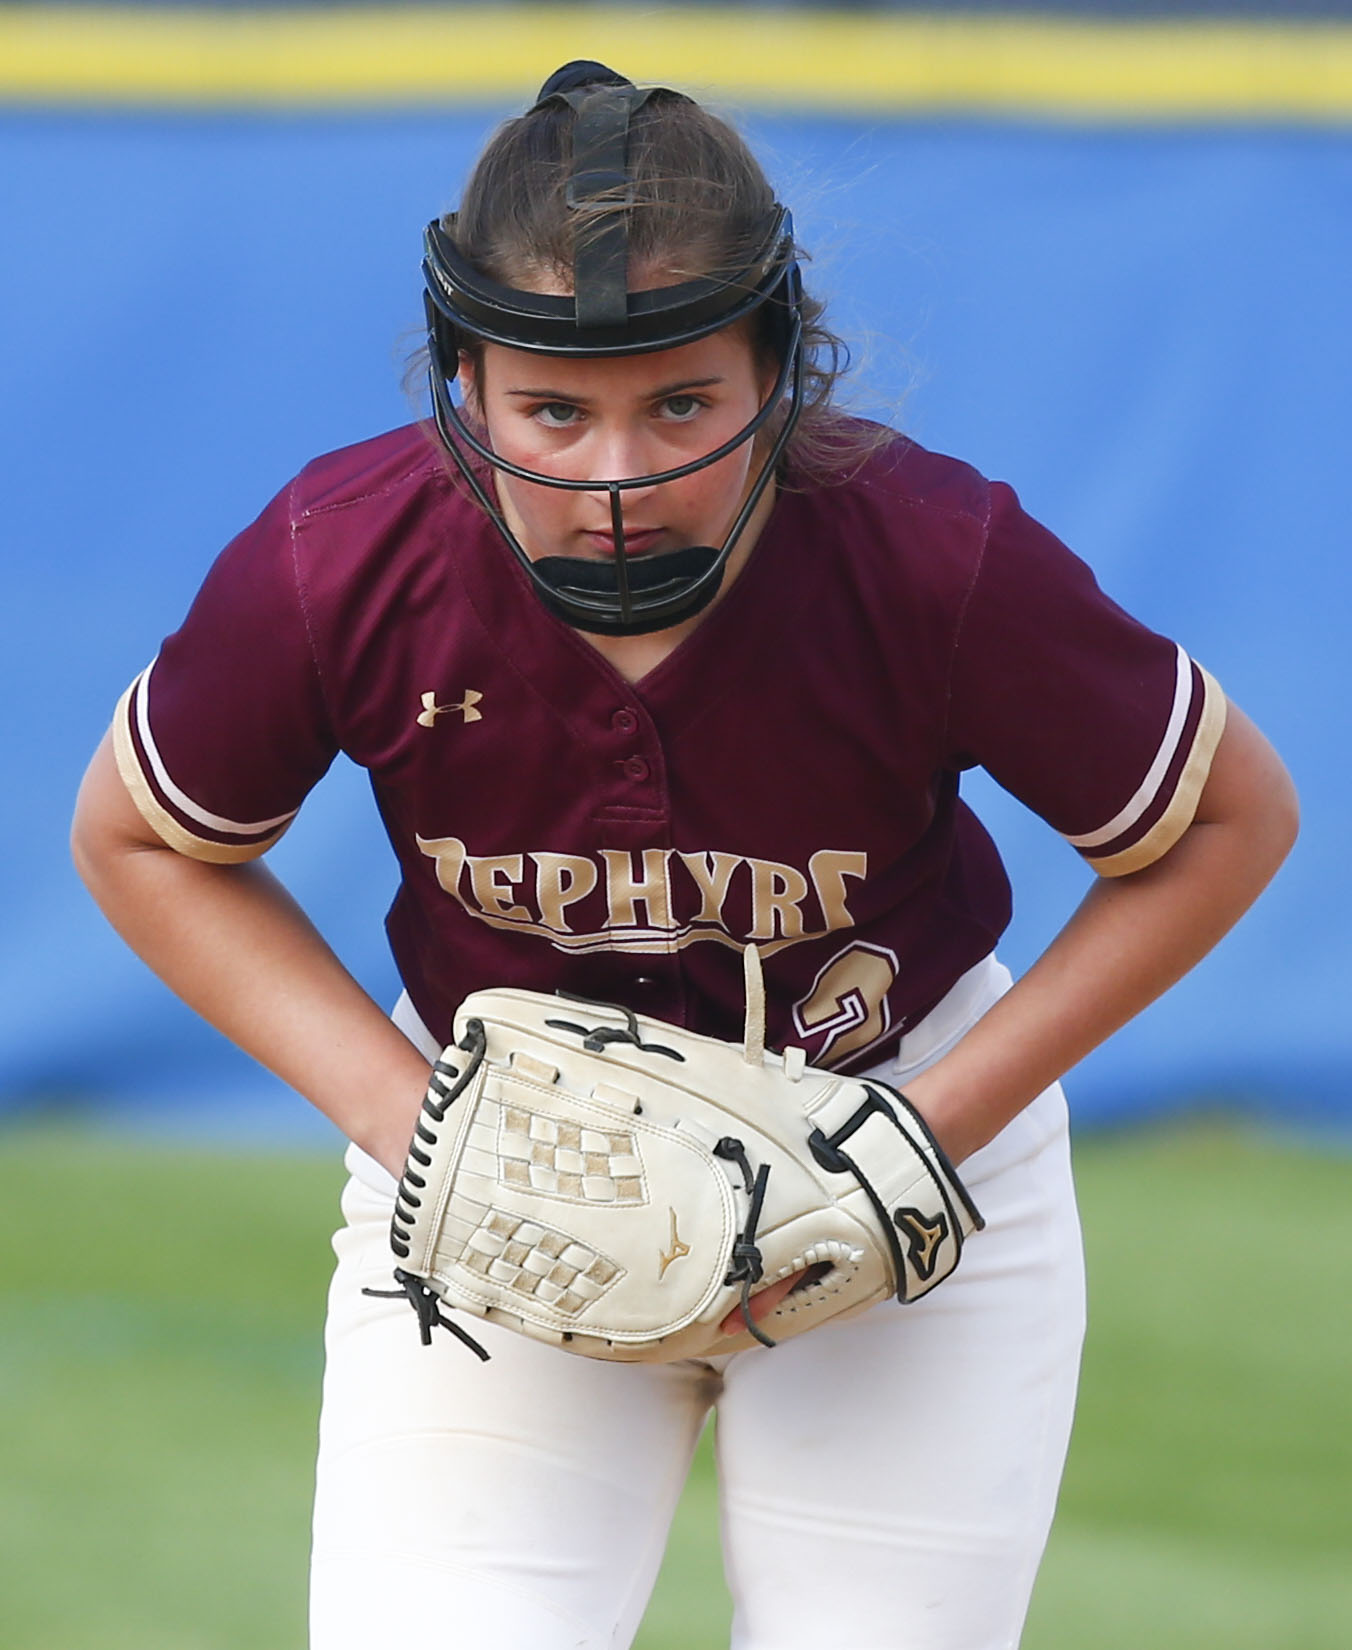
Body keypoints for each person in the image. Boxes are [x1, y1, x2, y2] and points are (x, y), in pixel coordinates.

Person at [71, 60, 1297, 1650]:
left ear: (781, 370)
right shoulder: (344, 559)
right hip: (507, 1178)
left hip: (886, 1144)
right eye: (554, 409)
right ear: (464, 387)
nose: (615, 479)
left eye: (682, 405)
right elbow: (137, 838)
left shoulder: (926, 554)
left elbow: (1231, 816)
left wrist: (930, 1127)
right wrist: (409, 1122)